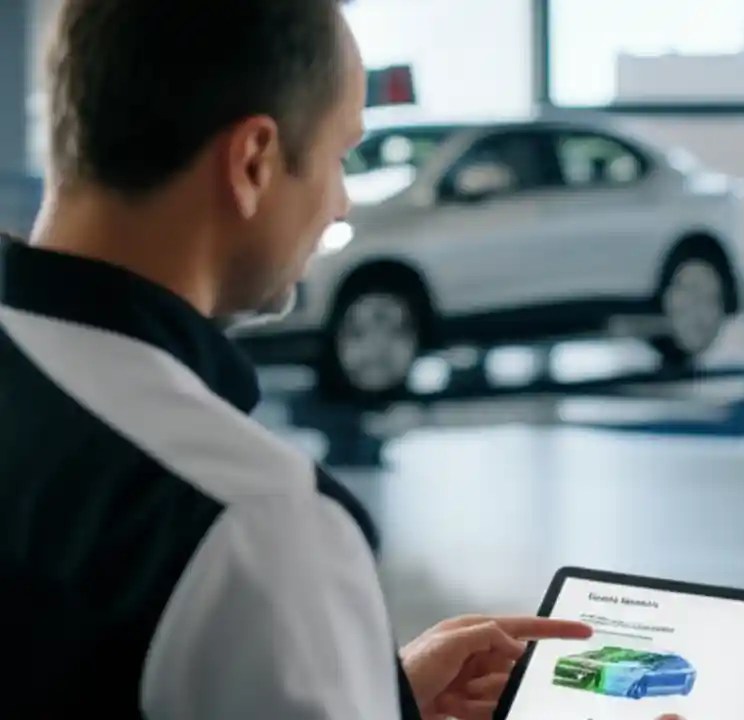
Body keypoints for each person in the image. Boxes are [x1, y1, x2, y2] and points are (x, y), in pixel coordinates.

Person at [0, 2, 693, 719]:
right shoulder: (255, 518)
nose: (339, 205)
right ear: (253, 163)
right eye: (340, 157)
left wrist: (375, 695)